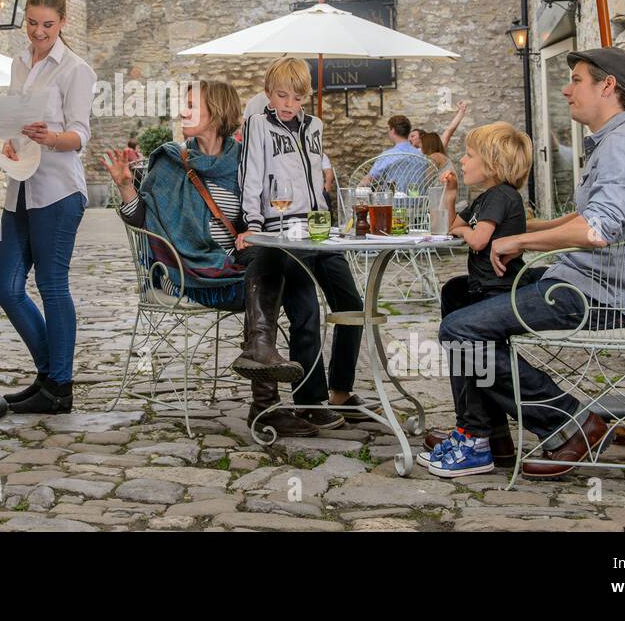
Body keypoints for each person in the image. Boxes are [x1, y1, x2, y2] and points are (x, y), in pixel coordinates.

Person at [434, 49, 625, 478]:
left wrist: (521, 239)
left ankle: (572, 424)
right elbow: (582, 218)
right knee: (459, 294)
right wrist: (522, 226)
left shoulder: (623, 147)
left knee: (461, 327)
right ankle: (485, 432)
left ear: (607, 86)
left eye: (576, 80)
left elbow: (597, 230)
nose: (566, 89)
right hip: (586, 281)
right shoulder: (615, 143)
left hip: (604, 295)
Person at [104, 80, 318, 439]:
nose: (181, 111)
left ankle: (301, 395)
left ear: (217, 113)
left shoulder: (245, 161)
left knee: (299, 282)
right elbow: (143, 223)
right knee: (274, 266)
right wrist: (126, 185)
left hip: (239, 270)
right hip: (188, 272)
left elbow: (266, 214)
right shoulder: (170, 161)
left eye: (191, 105)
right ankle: (266, 402)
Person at [234, 57, 368, 432]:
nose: (289, 103)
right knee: (306, 314)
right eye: (281, 95)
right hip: (282, 231)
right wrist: (254, 224)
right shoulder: (258, 126)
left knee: (352, 306)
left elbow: (314, 174)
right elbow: (252, 176)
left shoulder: (315, 127)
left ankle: (340, 388)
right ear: (268, 95)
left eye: (297, 96)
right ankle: (311, 401)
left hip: (319, 229)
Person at [0, 0, 96, 415]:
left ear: (62, 23)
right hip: (19, 187)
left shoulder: (76, 70)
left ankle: (60, 387)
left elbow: (80, 134)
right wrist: (11, 144)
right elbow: (16, 122)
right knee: (5, 286)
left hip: (57, 190)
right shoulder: (18, 63)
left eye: (47, 25)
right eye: (32, 23)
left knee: (52, 285)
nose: (38, 32)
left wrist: (50, 138)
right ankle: (49, 373)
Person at [419, 122, 532, 477]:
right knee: (457, 304)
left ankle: (476, 435)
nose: (462, 162)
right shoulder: (484, 197)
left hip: (499, 291)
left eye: (469, 155)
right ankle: (480, 434)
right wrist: (451, 193)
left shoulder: (501, 196)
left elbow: (479, 240)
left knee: (470, 353)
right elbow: (452, 225)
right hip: (481, 290)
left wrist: (468, 230)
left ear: (493, 163)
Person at [361, 114, 426, 189]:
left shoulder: (388, 155)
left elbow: (369, 179)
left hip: (392, 199)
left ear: (393, 130)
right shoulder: (421, 155)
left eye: (388, 128)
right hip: (419, 198)